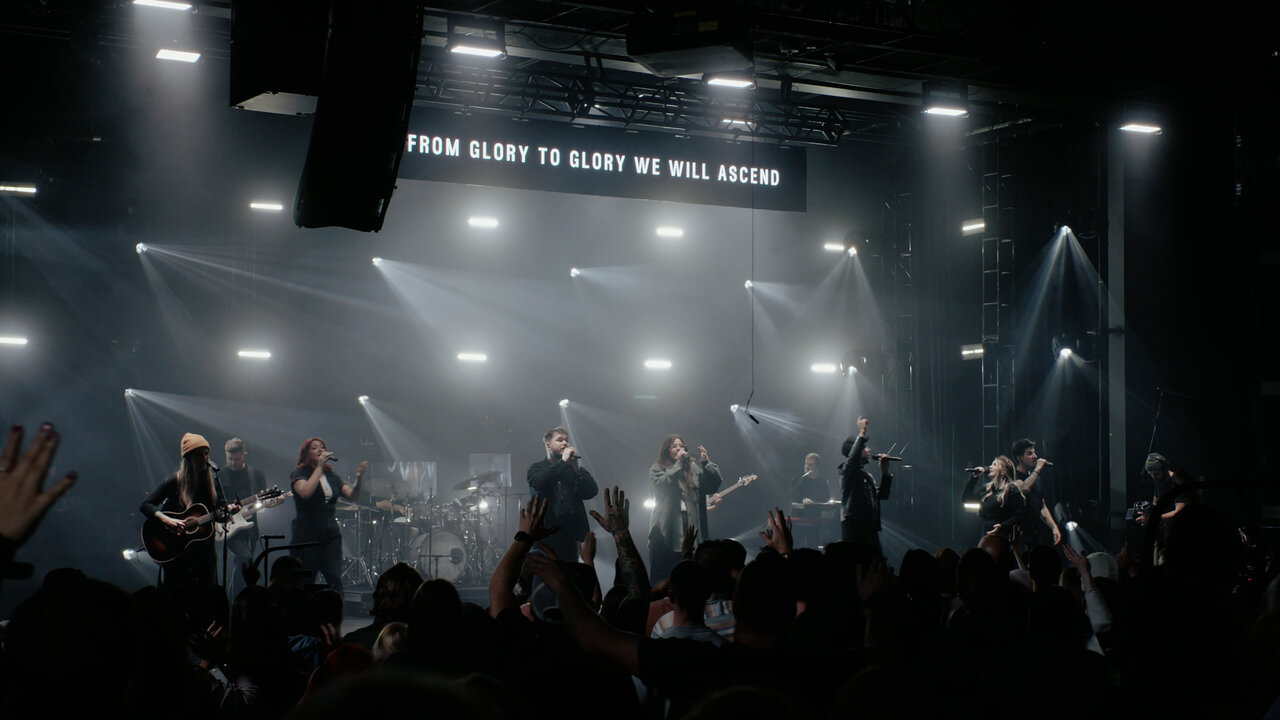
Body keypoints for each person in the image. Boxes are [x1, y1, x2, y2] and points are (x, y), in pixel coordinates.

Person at [140, 432, 233, 600]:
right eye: (199, 455)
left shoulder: (211, 484)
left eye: (206, 454)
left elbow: (218, 514)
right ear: (189, 459)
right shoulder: (174, 481)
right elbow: (146, 505)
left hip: (204, 557)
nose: (205, 458)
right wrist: (168, 520)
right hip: (178, 553)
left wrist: (228, 513)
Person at [290, 437, 365, 594]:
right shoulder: (300, 473)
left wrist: (359, 479)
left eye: (322, 447)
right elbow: (305, 492)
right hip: (308, 533)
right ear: (306, 453)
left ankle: (335, 611)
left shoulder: (332, 477)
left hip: (330, 533)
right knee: (306, 578)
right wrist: (319, 467)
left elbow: (352, 496)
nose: (319, 450)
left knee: (334, 577)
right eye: (314, 448)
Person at [649, 434, 722, 585]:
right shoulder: (657, 469)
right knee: (667, 573)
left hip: (691, 526)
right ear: (666, 451)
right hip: (668, 530)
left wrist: (706, 462)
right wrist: (679, 464)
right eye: (674, 446)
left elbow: (712, 485)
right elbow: (663, 484)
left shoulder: (693, 469)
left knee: (692, 574)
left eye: (681, 446)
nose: (679, 449)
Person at [526, 425, 598, 562]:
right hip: (546, 536)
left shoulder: (572, 470)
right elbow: (540, 482)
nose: (565, 443)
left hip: (570, 536)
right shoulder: (537, 468)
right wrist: (563, 462)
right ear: (548, 445)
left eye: (566, 440)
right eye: (559, 440)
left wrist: (577, 470)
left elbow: (591, 491)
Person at [222, 437, 282, 595]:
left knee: (245, 566)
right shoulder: (220, 475)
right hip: (226, 526)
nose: (233, 463)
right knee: (245, 559)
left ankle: (234, 601)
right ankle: (237, 600)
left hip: (249, 528)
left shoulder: (255, 474)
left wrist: (274, 502)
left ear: (244, 454)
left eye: (236, 459)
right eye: (230, 459)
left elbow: (265, 501)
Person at [839, 416, 893, 549]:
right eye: (864, 447)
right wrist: (862, 432)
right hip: (855, 528)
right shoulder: (848, 471)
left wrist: (885, 473)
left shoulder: (866, 475)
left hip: (870, 528)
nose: (868, 450)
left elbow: (882, 495)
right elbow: (852, 458)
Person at [1009, 438, 1062, 548]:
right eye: (1029, 454)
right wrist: (1037, 469)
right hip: (1018, 536)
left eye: (1034, 452)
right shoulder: (1012, 477)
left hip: (1034, 535)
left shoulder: (1037, 479)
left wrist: (1053, 527)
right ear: (1019, 458)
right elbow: (1024, 489)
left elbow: (1042, 506)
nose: (1035, 456)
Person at [979, 455, 1025, 542]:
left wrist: (1002, 525)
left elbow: (1019, 514)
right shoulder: (988, 489)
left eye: (995, 465)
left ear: (1003, 471)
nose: (990, 467)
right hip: (986, 535)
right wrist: (974, 478)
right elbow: (966, 498)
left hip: (1003, 536)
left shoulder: (1012, 490)